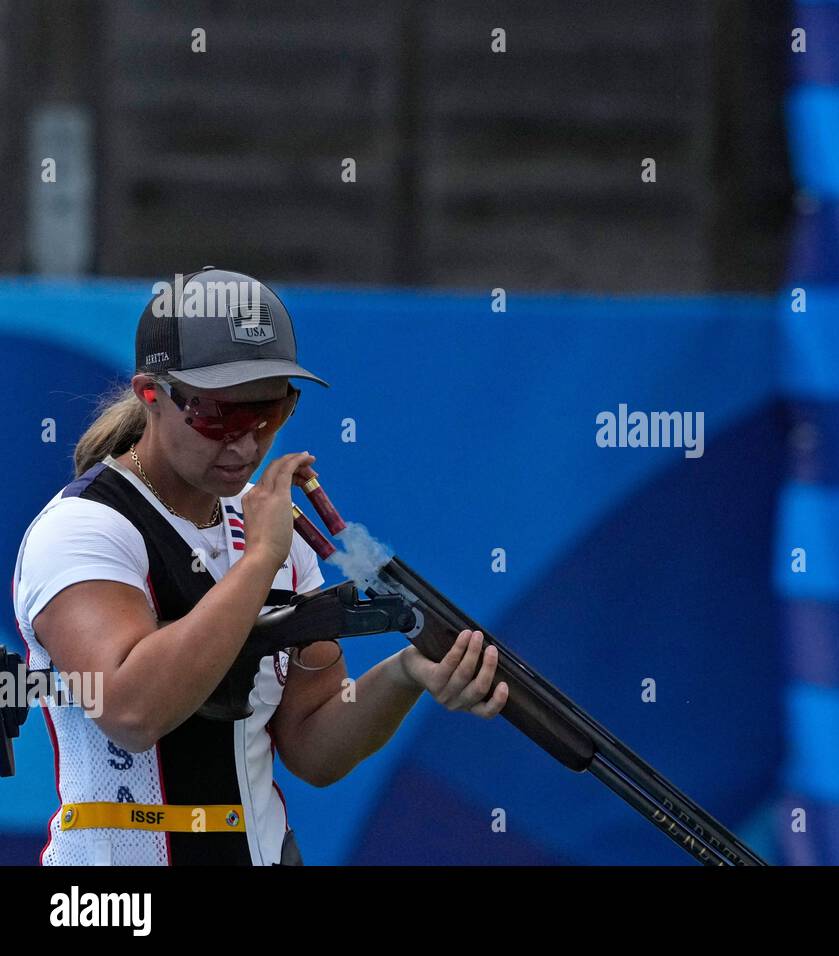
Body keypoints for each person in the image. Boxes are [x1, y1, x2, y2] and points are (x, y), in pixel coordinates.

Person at [11, 268, 508, 865]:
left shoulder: (274, 528)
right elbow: (130, 710)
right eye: (218, 415)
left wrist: (407, 675)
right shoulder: (84, 529)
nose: (246, 445)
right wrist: (260, 561)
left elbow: (311, 747)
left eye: (269, 411)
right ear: (151, 394)